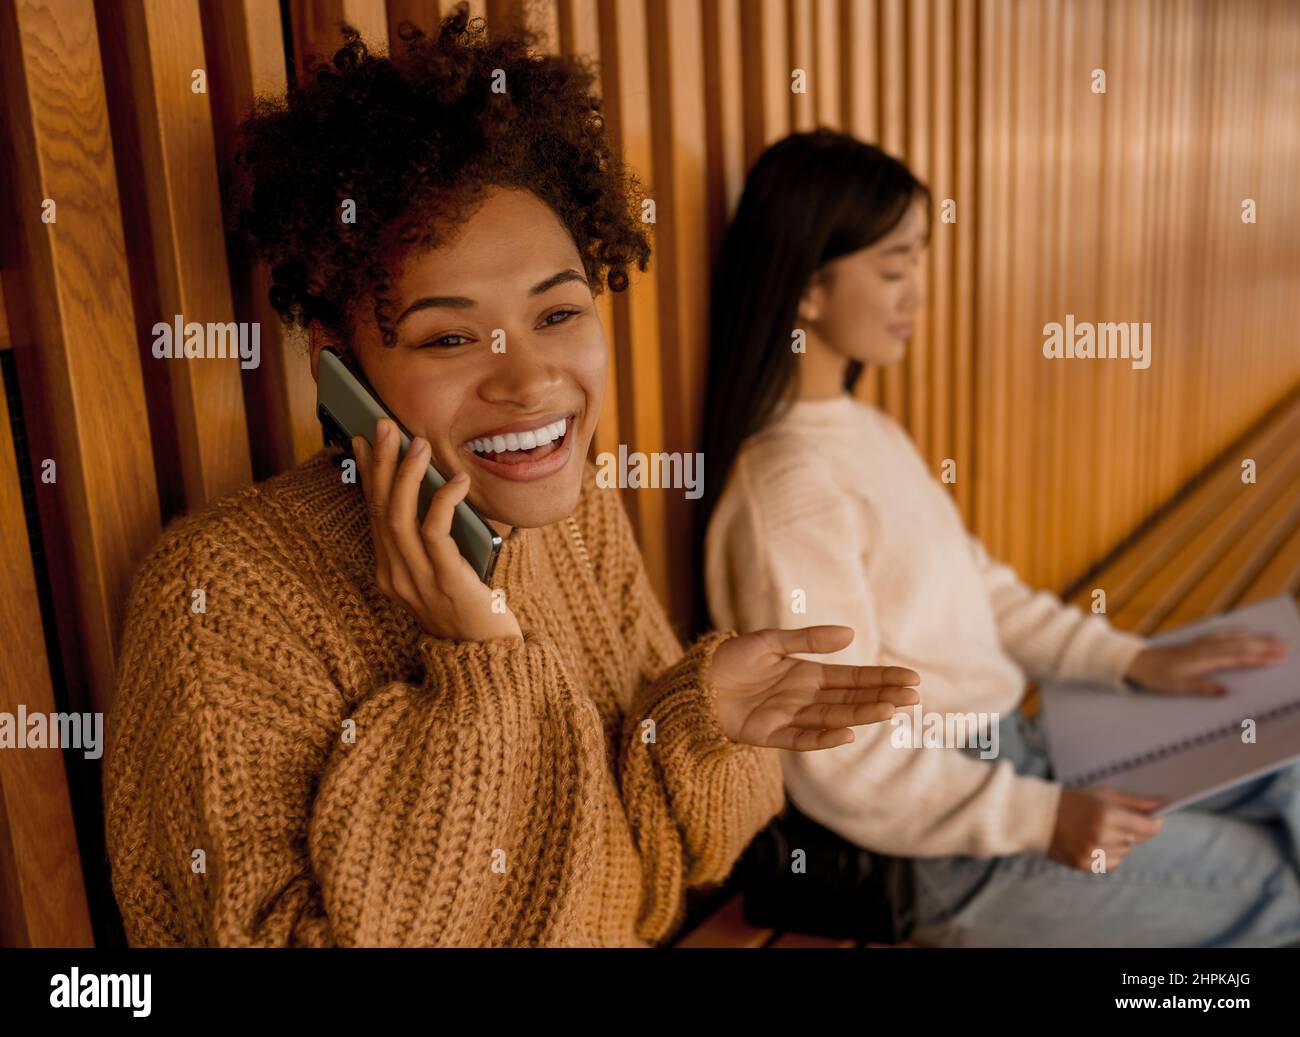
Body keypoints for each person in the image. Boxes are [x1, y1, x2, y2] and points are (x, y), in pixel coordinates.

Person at [102, 12, 921, 948]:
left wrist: (693, 724)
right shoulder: (220, 597)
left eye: (559, 312)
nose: (529, 379)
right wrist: (479, 669)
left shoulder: (569, 513)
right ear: (343, 361)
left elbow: (651, 888)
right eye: (450, 336)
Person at [699, 129, 1299, 947]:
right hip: (954, 840)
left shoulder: (864, 432)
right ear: (808, 289)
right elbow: (841, 759)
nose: (915, 291)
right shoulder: (788, 490)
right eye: (893, 265)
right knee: (1276, 886)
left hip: (1028, 752)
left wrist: (1129, 660)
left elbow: (982, 588)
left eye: (920, 260)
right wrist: (1041, 813)